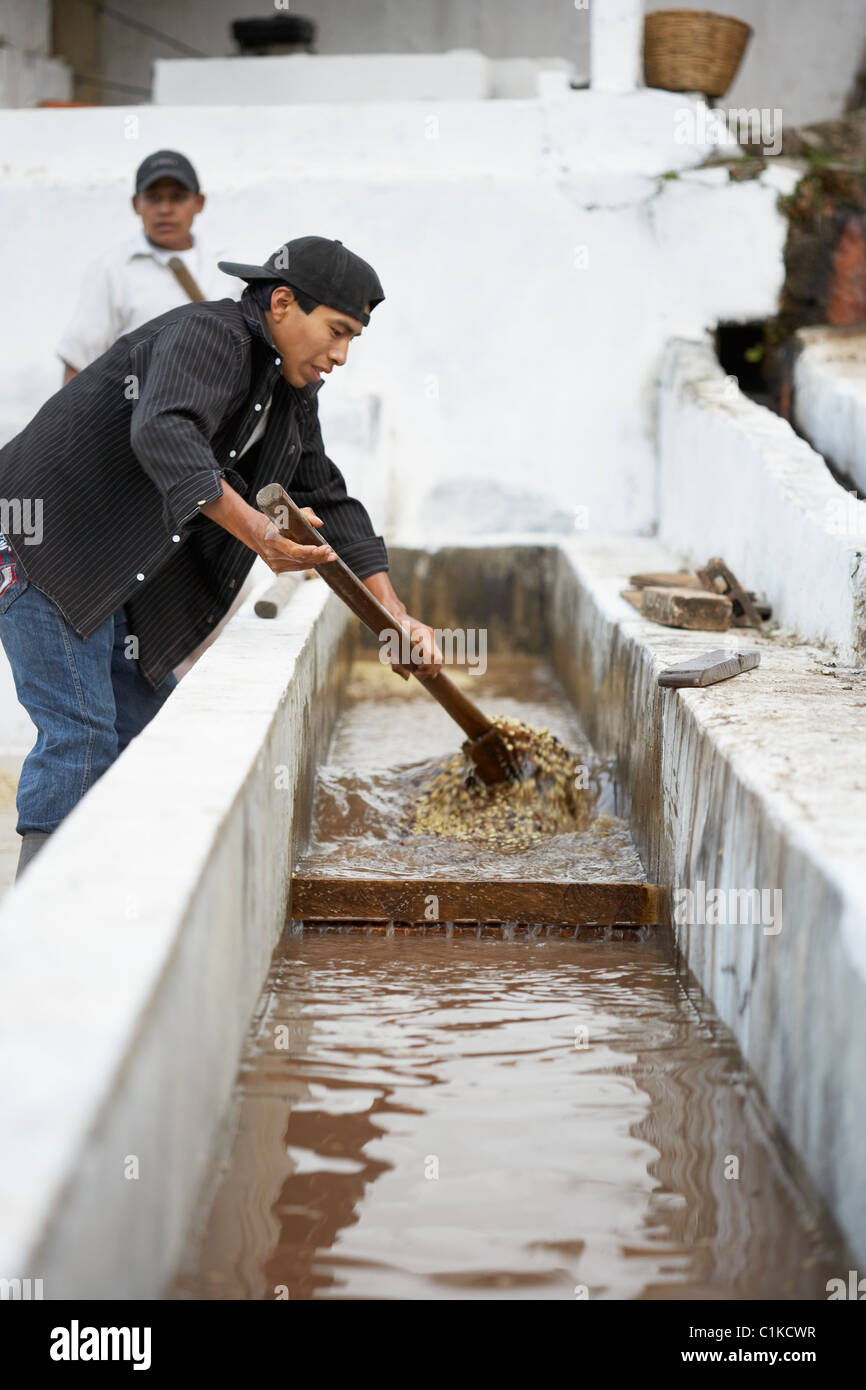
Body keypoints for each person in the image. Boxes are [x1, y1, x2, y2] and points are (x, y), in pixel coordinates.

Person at [0, 235, 441, 880]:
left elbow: (328, 497)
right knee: (82, 739)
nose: (342, 356)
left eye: (354, 340)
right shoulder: (208, 337)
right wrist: (258, 532)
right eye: (337, 331)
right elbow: (164, 430)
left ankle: (118, 900)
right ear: (284, 303)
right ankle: (44, 922)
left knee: (146, 732)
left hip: (108, 575)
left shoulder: (289, 391)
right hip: (41, 549)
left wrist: (394, 617)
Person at [57, 149, 240, 385]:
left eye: (177, 197)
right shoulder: (113, 270)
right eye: (153, 198)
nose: (165, 209)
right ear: (136, 204)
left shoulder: (225, 267)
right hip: (135, 417)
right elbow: (78, 364)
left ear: (199, 202)